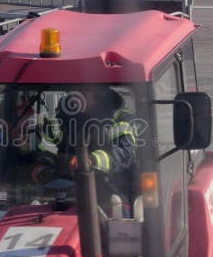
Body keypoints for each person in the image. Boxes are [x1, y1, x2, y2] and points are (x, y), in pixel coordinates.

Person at [31, 85, 137, 216]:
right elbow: (58, 148)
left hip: (113, 192)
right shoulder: (68, 116)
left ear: (99, 95)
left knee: (120, 228)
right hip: (71, 192)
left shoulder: (121, 118)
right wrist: (43, 162)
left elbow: (123, 155)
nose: (75, 97)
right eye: (73, 91)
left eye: (82, 92)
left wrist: (90, 160)